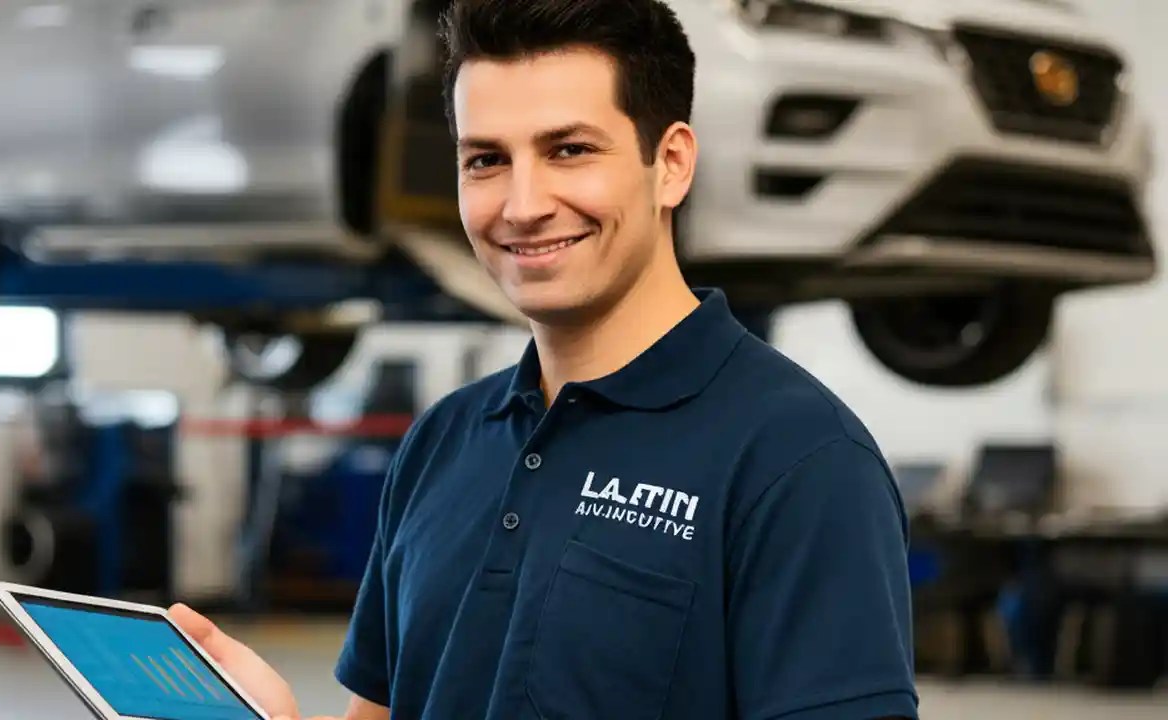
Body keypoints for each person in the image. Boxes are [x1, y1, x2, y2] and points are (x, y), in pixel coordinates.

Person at [171, 0, 918, 717]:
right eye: (486, 160)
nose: (523, 204)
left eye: (569, 150)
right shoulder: (443, 441)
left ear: (673, 164)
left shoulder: (801, 461)